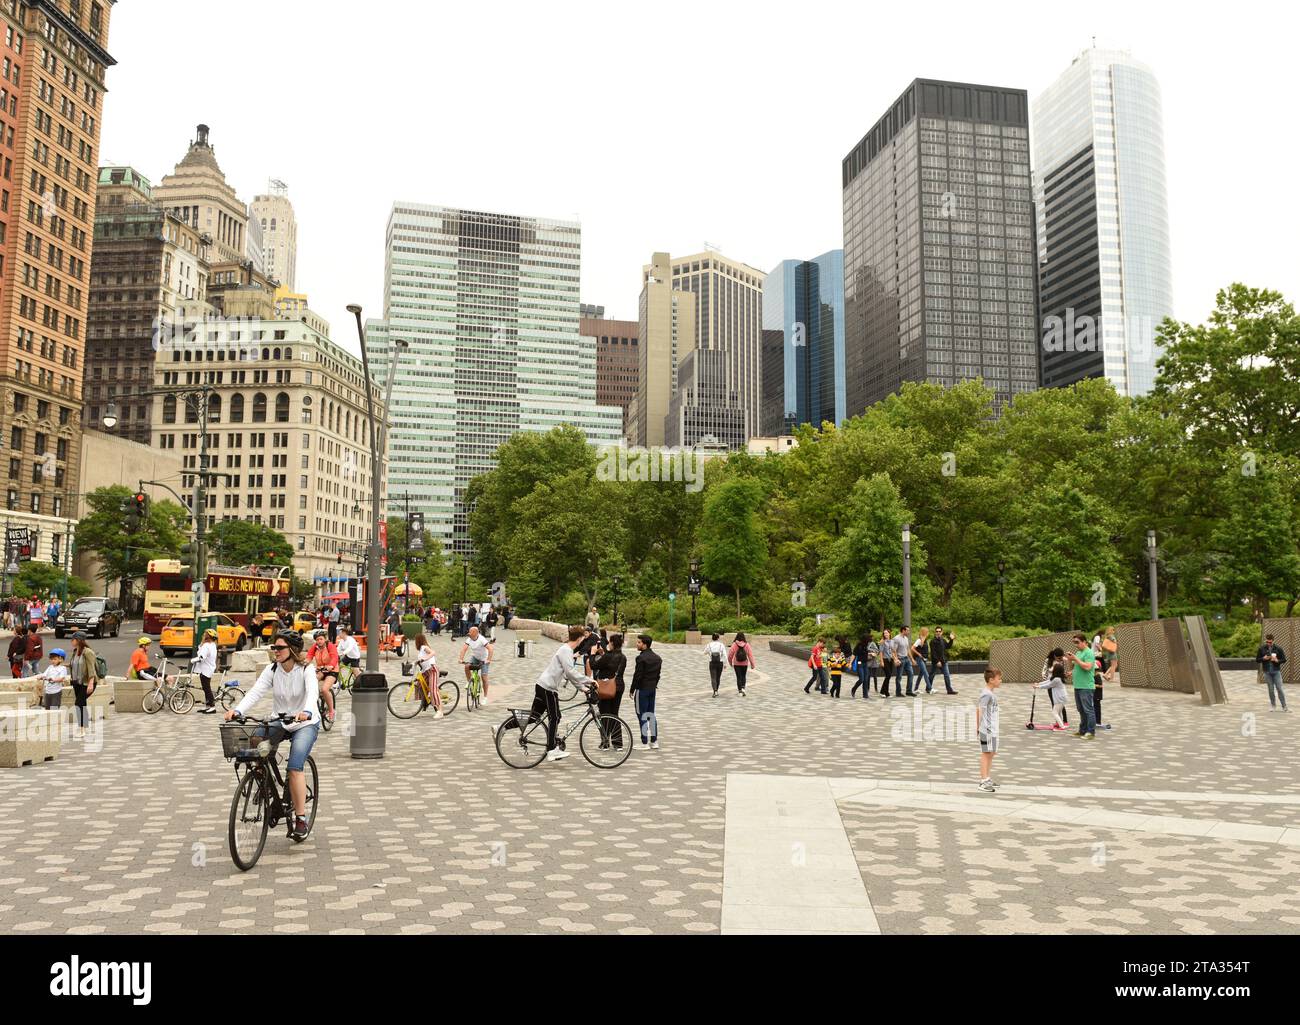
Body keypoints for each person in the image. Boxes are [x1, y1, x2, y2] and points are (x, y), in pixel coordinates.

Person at [226, 631, 320, 838]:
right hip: (281, 720)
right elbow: (256, 691)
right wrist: (238, 710)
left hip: (304, 722)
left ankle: (301, 819)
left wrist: (308, 712)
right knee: (256, 738)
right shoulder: (273, 669)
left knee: (295, 767)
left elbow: (313, 692)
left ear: (293, 650)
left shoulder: (306, 670)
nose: (275, 651)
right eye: (274, 648)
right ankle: (266, 782)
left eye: (280, 648)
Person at [504, 624, 593, 762]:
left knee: (534, 717)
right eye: (583, 639)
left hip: (542, 685)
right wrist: (590, 681)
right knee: (555, 717)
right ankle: (552, 750)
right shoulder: (566, 650)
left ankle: (501, 728)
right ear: (580, 638)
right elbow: (570, 672)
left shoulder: (566, 650)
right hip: (548, 688)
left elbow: (568, 674)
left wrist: (583, 688)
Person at [592, 632, 628, 749]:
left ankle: (605, 742)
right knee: (614, 714)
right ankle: (618, 744)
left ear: (612, 643)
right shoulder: (623, 657)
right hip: (619, 687)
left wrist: (593, 654)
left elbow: (594, 665)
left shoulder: (608, 657)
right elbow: (611, 665)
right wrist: (605, 653)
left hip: (606, 688)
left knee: (605, 714)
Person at [630, 634, 662, 750]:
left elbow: (637, 675)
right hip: (652, 689)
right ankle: (654, 741)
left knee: (642, 715)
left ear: (645, 644)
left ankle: (644, 742)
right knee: (650, 715)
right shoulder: (657, 658)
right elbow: (658, 675)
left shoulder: (641, 658)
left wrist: (632, 689)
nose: (637, 644)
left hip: (642, 689)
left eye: (639, 642)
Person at [67, 631, 101, 734]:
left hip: (87, 683)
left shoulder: (88, 652)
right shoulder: (75, 651)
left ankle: (82, 728)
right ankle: (84, 727)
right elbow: (74, 665)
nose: (71, 641)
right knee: (82, 703)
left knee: (78, 703)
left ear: (78, 640)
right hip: (77, 683)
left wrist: (91, 683)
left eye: (73, 639)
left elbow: (91, 669)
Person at [1066, 632, 1097, 739]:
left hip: (1086, 686)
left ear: (1084, 642)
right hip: (1078, 685)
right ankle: (1082, 730)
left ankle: (1090, 732)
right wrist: (1070, 661)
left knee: (1088, 710)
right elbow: (1074, 667)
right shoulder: (1078, 653)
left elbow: (1088, 667)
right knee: (1081, 710)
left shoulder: (1089, 653)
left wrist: (1075, 659)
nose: (1076, 644)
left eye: (1077, 642)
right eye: (1074, 642)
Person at [977, 668, 1002, 792]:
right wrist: (977, 727)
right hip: (987, 729)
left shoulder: (990, 693)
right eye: (999, 678)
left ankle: (987, 778)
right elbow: (979, 709)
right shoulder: (986, 694)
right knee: (986, 754)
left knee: (991, 753)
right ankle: (983, 781)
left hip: (992, 728)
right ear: (991, 680)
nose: (1000, 681)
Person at [1034, 648, 1070, 730]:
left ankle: (1064, 722)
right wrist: (1043, 681)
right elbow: (1044, 671)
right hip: (1050, 681)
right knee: (1054, 702)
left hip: (1056, 682)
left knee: (1059, 704)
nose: (1060, 659)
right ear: (1054, 656)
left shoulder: (1063, 660)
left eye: (1061, 657)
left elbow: (1063, 672)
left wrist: (1065, 675)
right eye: (1059, 658)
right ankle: (1058, 721)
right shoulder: (1048, 660)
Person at [412, 632, 445, 719]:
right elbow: (421, 660)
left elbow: (433, 652)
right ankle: (425, 702)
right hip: (425, 672)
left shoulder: (424, 647)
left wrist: (425, 659)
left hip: (432, 670)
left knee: (433, 690)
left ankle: (440, 711)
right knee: (418, 685)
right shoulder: (420, 650)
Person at [459, 625, 493, 704]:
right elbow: (464, 649)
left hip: (484, 659)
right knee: (467, 666)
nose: (469, 634)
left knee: (484, 677)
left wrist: (488, 660)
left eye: (470, 633)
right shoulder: (469, 639)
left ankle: (485, 697)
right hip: (475, 657)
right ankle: (469, 681)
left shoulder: (482, 639)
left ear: (476, 633)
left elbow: (491, 649)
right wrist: (461, 659)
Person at [310, 630, 339, 722]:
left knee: (324, 689)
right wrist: (304, 663)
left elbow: (334, 656)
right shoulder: (315, 647)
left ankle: (331, 711)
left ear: (325, 639)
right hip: (321, 669)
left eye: (321, 639)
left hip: (332, 670)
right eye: (317, 639)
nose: (319, 641)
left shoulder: (330, 646)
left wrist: (331, 665)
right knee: (310, 683)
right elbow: (309, 656)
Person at [1257, 634, 1289, 712]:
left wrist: (1277, 660)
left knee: (1279, 689)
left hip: (1276, 671)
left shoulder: (1278, 648)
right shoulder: (1261, 648)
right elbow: (1257, 660)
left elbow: (1284, 659)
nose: (1269, 644)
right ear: (1266, 640)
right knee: (1271, 690)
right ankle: (1273, 705)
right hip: (1267, 672)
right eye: (1267, 642)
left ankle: (1284, 706)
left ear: (1273, 641)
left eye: (1270, 642)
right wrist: (1263, 658)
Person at [191, 628, 219, 714]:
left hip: (205, 669)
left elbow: (202, 657)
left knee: (207, 688)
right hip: (208, 668)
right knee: (205, 688)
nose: (203, 635)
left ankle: (212, 707)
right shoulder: (212, 645)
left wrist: (193, 660)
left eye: (205, 634)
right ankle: (208, 706)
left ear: (207, 637)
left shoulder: (207, 645)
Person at [930, 627, 958, 695]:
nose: (938, 632)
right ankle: (928, 688)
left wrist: (951, 640)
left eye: (939, 631)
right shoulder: (932, 641)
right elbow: (933, 653)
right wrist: (937, 661)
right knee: (932, 675)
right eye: (937, 631)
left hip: (944, 661)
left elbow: (948, 646)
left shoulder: (943, 640)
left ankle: (949, 690)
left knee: (947, 675)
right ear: (935, 632)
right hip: (936, 662)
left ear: (942, 632)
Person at [728, 631, 756, 696]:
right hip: (744, 664)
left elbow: (730, 654)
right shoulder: (747, 644)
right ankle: (743, 688)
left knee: (738, 677)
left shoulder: (734, 644)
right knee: (743, 676)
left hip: (736, 664)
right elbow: (750, 655)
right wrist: (752, 664)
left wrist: (730, 662)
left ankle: (740, 691)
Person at [851, 633, 877, 699]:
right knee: (861, 679)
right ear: (865, 639)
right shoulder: (858, 645)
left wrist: (871, 653)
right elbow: (854, 654)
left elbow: (865, 652)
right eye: (868, 638)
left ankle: (865, 695)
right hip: (860, 664)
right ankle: (853, 689)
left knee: (866, 679)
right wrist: (850, 663)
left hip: (865, 664)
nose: (870, 640)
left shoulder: (866, 645)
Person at [912, 627, 935, 694]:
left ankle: (916, 689)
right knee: (925, 673)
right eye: (927, 632)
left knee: (920, 675)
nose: (928, 633)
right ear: (924, 632)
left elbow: (922, 646)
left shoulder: (924, 640)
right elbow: (912, 648)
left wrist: (923, 638)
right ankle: (930, 689)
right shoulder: (919, 640)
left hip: (924, 659)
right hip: (919, 659)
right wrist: (918, 654)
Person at [893, 627, 914, 697]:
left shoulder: (906, 638)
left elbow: (908, 649)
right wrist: (896, 659)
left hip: (906, 659)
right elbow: (894, 650)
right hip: (900, 659)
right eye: (907, 630)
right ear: (903, 630)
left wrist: (912, 659)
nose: (908, 632)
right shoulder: (896, 638)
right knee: (899, 677)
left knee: (911, 674)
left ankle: (909, 691)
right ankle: (898, 692)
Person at [705, 632, 727, 697]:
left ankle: (715, 691)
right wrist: (725, 663)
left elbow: (704, 652)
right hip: (720, 662)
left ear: (712, 638)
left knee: (713, 677)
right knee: (718, 677)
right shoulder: (721, 645)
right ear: (718, 638)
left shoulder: (709, 645)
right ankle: (717, 689)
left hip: (712, 662)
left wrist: (709, 653)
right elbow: (725, 655)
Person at [879, 629, 897, 697]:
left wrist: (895, 659)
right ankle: (885, 692)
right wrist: (881, 661)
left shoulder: (892, 641)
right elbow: (880, 652)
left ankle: (883, 691)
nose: (885, 634)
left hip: (891, 660)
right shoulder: (882, 642)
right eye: (884, 633)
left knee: (888, 676)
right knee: (888, 675)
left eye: (887, 633)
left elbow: (893, 651)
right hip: (885, 660)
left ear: (889, 634)